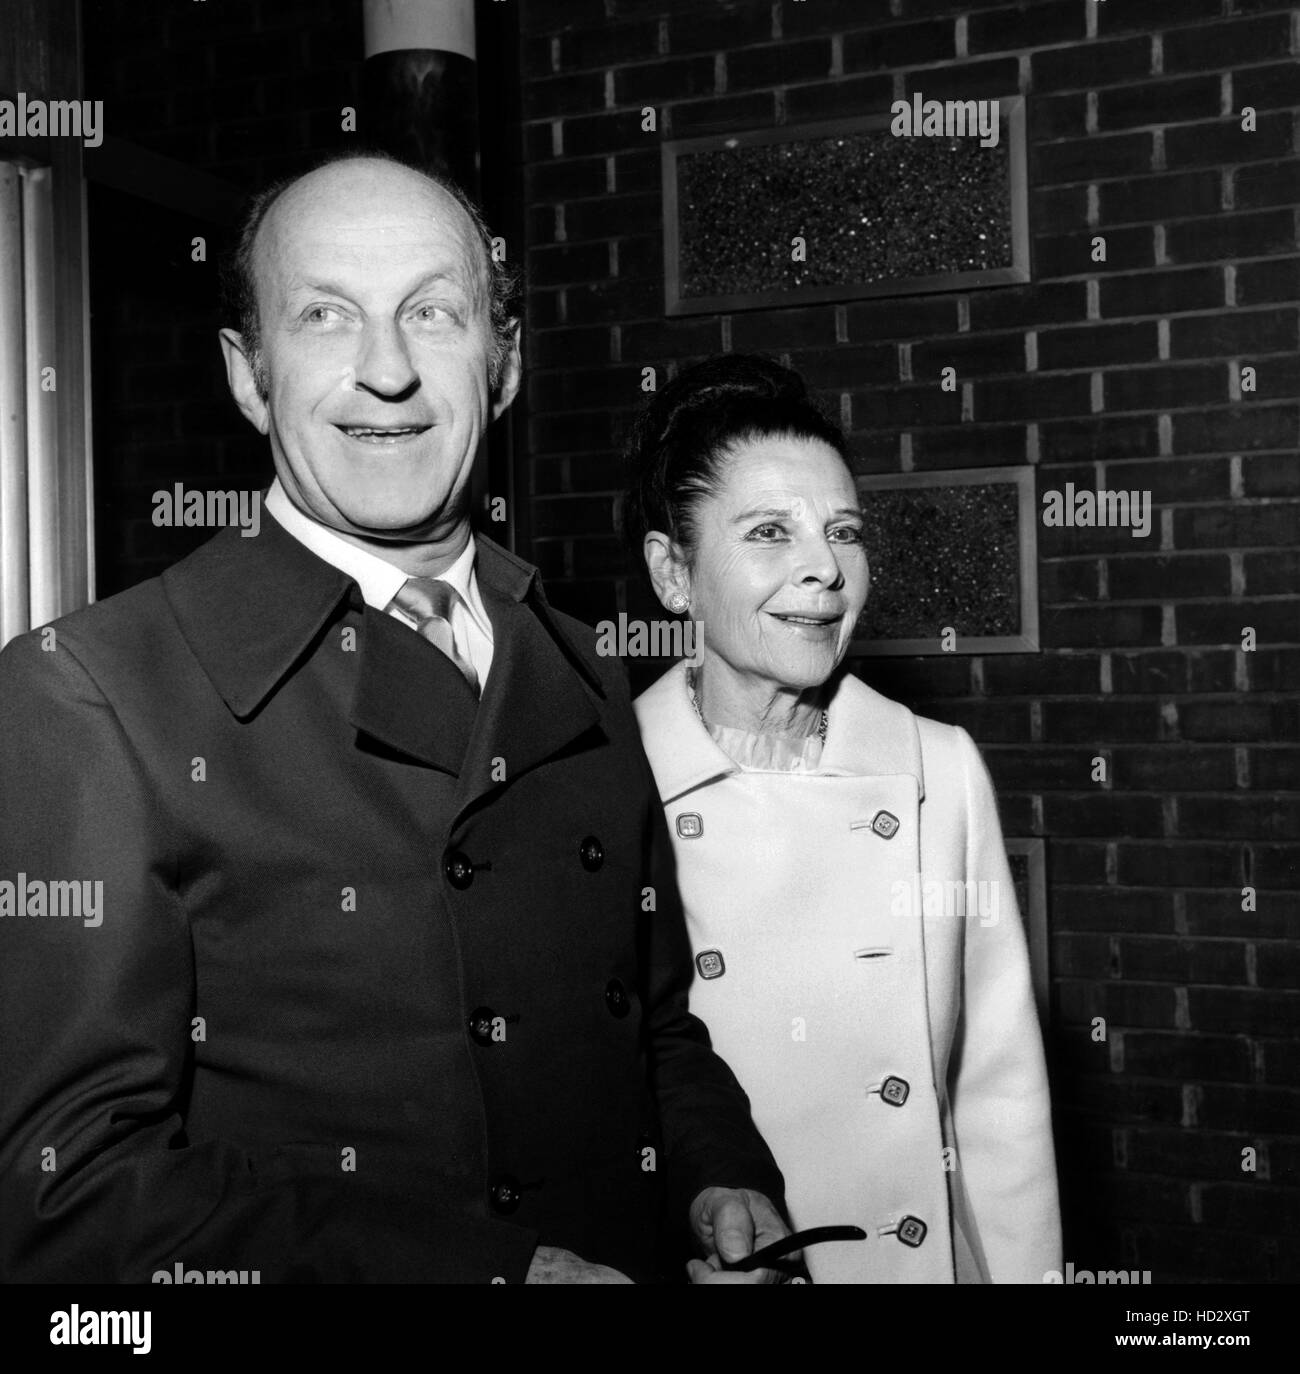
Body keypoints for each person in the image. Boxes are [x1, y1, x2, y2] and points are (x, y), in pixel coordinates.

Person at [0, 154, 789, 1285]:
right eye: (325, 315)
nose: (387, 372)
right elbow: (66, 1193)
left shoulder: (577, 660)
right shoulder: (89, 693)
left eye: (433, 312)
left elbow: (654, 1027)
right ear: (247, 374)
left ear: (503, 362)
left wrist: (719, 1179)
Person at [624, 354, 1062, 1283]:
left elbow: (999, 1098)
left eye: (844, 531)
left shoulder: (934, 770)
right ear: (673, 574)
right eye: (770, 532)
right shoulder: (605, 789)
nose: (825, 568)